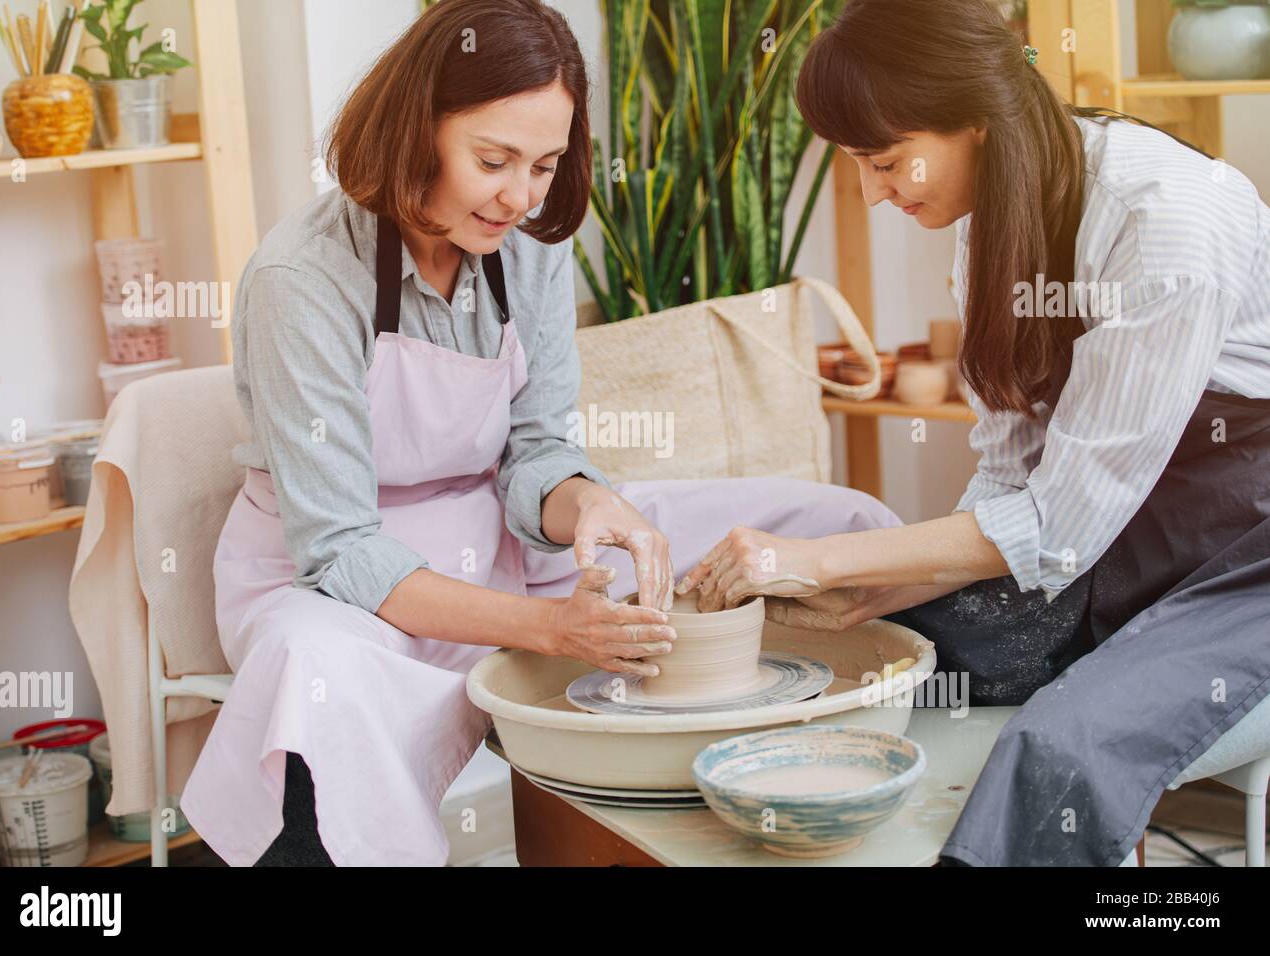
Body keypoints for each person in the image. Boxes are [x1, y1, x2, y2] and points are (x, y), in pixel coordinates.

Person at [180, 0, 897, 866]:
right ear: (414, 130)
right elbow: (337, 546)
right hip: (339, 586)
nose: (520, 196)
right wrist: (551, 629)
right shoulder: (302, 277)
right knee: (314, 672)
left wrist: (587, 503)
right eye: (493, 161)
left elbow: (537, 453)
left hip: (498, 542)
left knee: (831, 526)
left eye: (545, 166)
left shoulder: (526, 244)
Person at [681, 0, 1270, 866]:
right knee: (900, 656)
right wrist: (878, 590)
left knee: (1064, 746)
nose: (873, 193)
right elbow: (1010, 477)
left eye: (885, 161)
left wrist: (825, 558)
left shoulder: (1165, 217)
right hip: (1123, 521)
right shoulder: (993, 225)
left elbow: (1058, 528)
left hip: (1249, 543)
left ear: (977, 119)